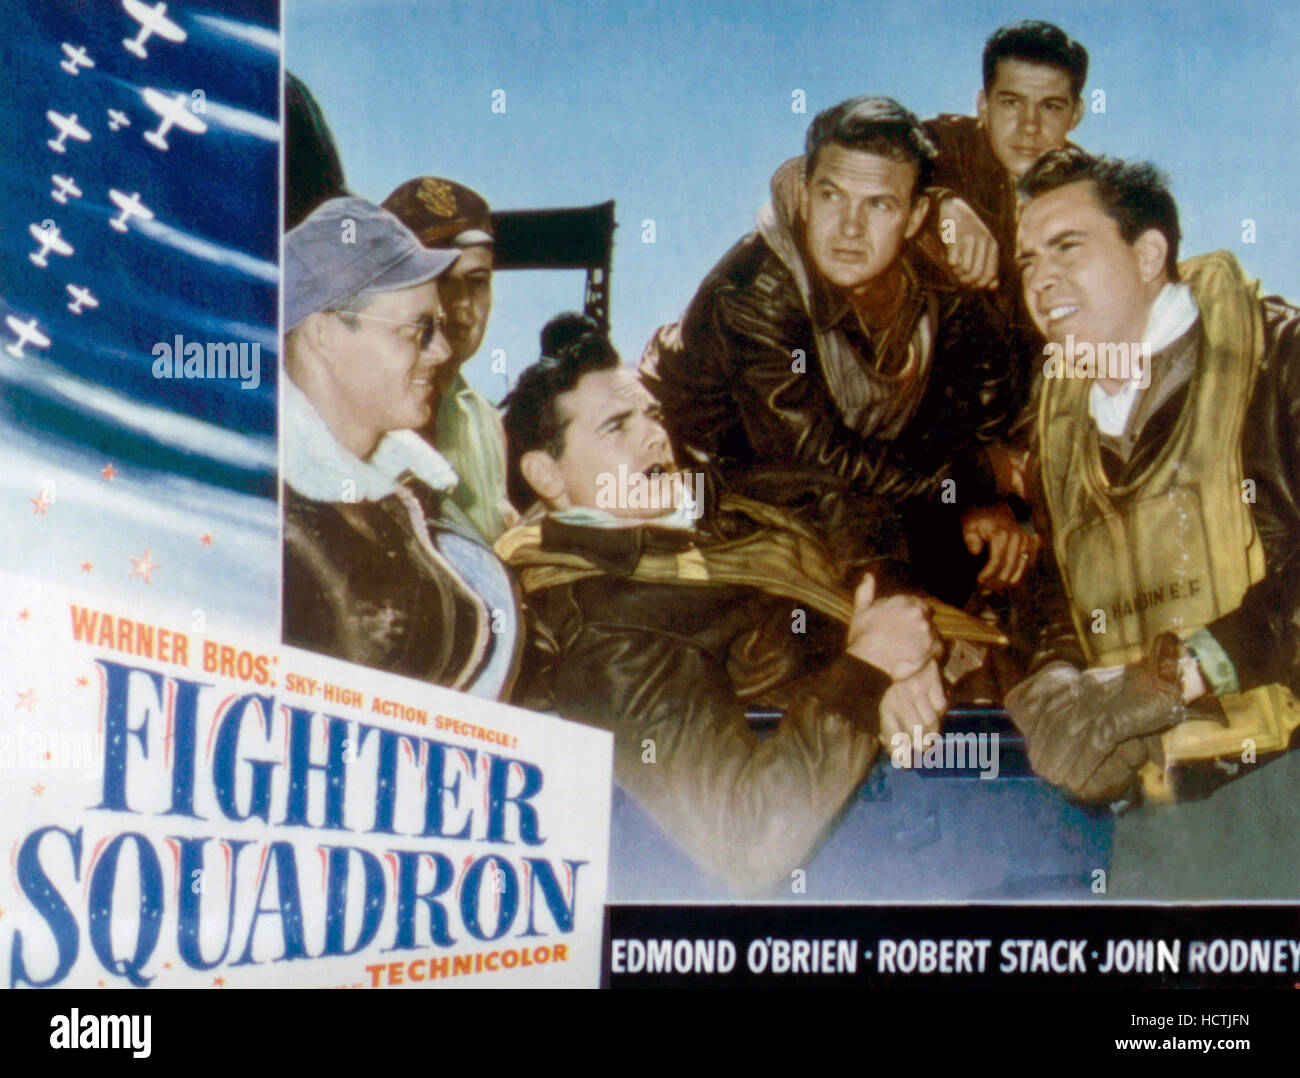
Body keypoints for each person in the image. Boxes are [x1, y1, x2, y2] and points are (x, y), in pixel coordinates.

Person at [498, 314, 964, 895]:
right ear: (547, 474)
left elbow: (833, 495)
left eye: (651, 415)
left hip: (949, 731)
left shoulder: (688, 508)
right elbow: (748, 839)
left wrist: (888, 600)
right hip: (886, 843)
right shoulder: (608, 632)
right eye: (617, 426)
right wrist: (870, 669)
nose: (653, 437)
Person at [1007, 149, 1300, 895]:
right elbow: (1052, 582)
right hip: (1153, 813)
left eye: (1068, 248)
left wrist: (1192, 667)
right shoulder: (1058, 420)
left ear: (1148, 254)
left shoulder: (1278, 357)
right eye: (1028, 260)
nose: (1041, 279)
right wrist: (1053, 681)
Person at [641, 96, 1036, 608]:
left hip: (856, 479)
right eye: (832, 196)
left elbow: (991, 397)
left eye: (879, 204)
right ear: (805, 195)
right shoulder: (755, 290)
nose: (850, 228)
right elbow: (814, 459)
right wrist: (977, 476)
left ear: (916, 215)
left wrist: (996, 501)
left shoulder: (937, 263)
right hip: (712, 479)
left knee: (1007, 551)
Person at [281, 196, 520, 699]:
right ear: (324, 334)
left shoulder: (413, 498)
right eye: (419, 329)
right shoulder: (260, 514)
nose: (443, 350)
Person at [924, 19, 1088, 317]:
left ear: (1075, 114)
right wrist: (942, 205)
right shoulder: (940, 144)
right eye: (1011, 102)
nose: (1029, 126)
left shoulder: (1094, 189)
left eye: (1050, 106)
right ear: (983, 106)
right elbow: (832, 166)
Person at [383, 177, 515, 543]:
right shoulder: (362, 408)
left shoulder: (483, 420)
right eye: (441, 280)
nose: (462, 306)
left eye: (477, 281)